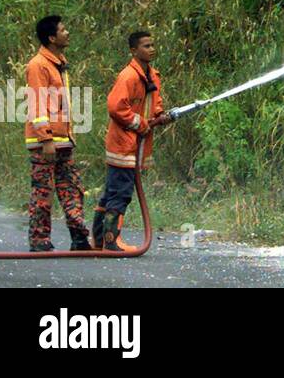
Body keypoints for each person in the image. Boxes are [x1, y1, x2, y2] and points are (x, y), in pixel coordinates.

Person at [93, 30, 173, 252]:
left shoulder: (152, 75)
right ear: (133, 50)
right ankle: (110, 240)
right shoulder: (128, 76)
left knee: (112, 192)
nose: (152, 49)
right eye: (146, 46)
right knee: (120, 193)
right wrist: (141, 123)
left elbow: (153, 102)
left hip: (136, 144)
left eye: (153, 44)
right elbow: (116, 107)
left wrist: (159, 115)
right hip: (123, 144)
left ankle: (99, 240)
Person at [24, 15, 92, 251]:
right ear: (52, 37)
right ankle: (39, 240)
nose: (67, 33)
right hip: (46, 144)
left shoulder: (58, 63)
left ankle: (79, 238)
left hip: (63, 142)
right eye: (63, 30)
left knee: (72, 189)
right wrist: (46, 139)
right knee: (43, 194)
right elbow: (37, 104)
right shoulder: (38, 65)